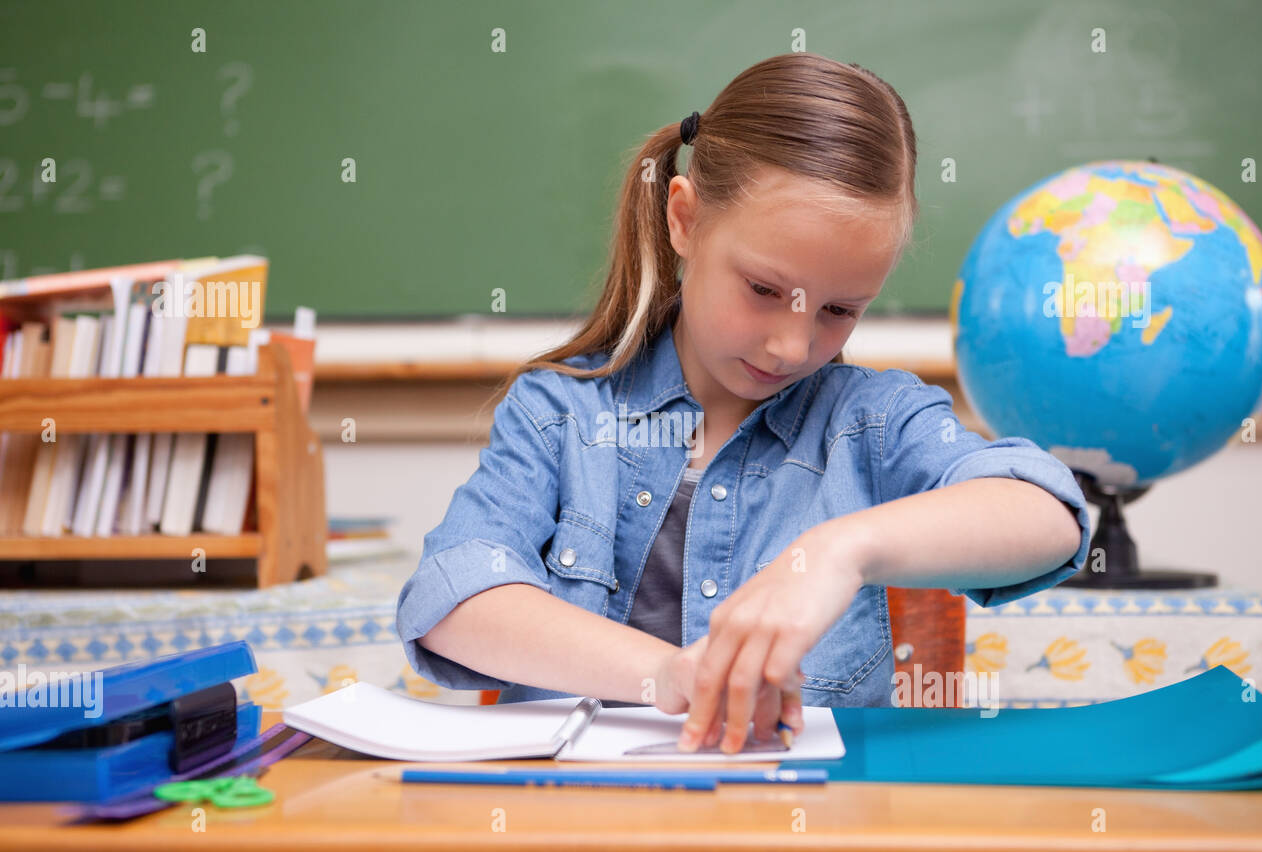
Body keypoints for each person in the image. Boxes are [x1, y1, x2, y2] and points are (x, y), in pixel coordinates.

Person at [395, 52, 1090, 755]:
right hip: (577, 828)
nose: (792, 345)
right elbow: (451, 599)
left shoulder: (872, 423)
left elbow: (1048, 515)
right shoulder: (559, 413)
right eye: (763, 289)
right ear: (685, 220)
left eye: (840, 309)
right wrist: (666, 674)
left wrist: (839, 551)